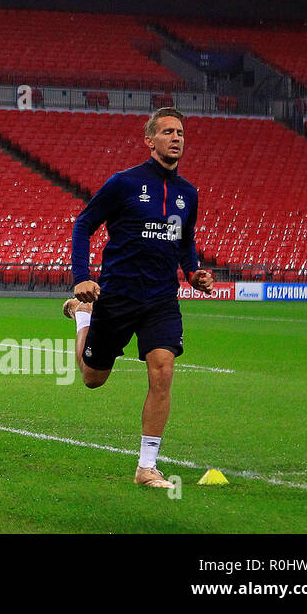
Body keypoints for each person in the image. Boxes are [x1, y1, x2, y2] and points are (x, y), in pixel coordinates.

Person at [66, 107, 214, 489]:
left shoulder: (188, 193)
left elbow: (184, 241)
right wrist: (82, 277)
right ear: (150, 141)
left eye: (180, 131)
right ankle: (84, 317)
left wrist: (193, 271)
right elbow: (83, 224)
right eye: (167, 132)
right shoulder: (124, 183)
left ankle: (147, 467)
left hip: (161, 298)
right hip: (118, 295)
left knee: (162, 368)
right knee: (92, 378)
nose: (176, 138)